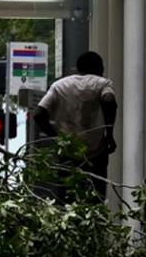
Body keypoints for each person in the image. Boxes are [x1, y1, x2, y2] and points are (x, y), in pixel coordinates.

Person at [34, 51, 118, 202]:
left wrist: (56, 137)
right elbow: (109, 100)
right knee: (96, 196)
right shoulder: (102, 83)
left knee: (66, 198)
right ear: (99, 68)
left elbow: (39, 113)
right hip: (96, 152)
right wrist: (109, 133)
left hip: (68, 151)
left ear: (78, 68)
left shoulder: (59, 86)